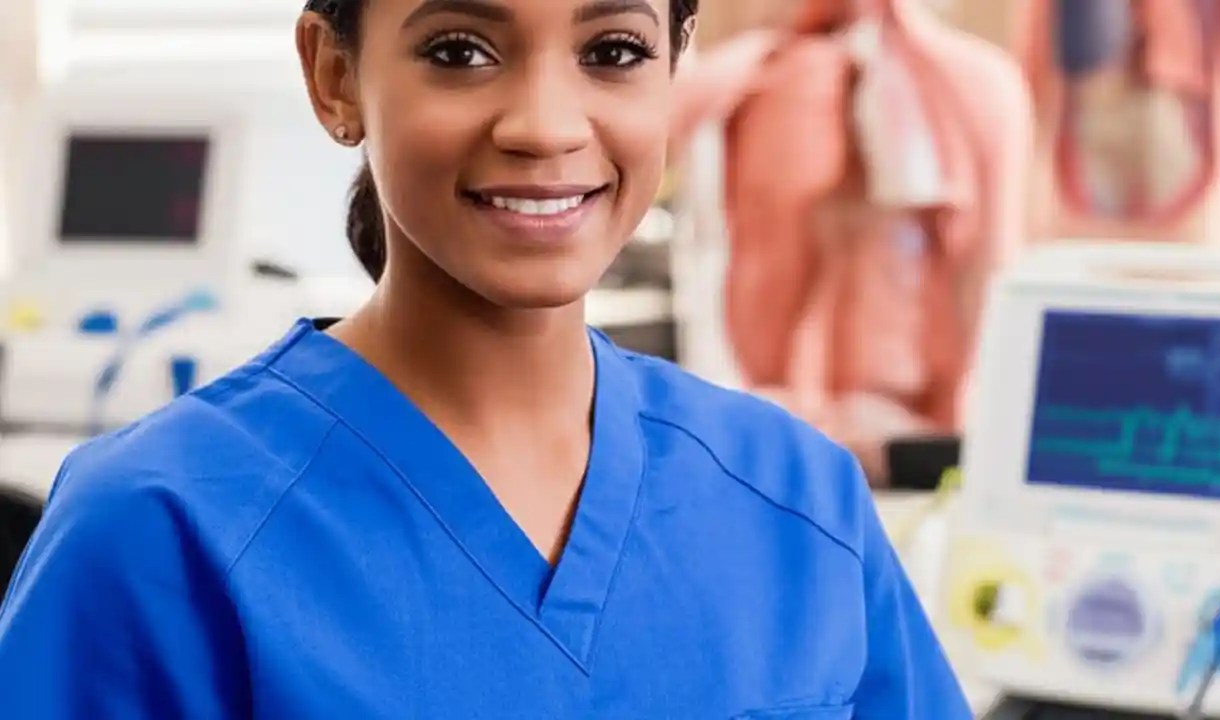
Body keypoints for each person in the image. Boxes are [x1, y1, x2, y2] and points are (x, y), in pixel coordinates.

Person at [0, 0, 971, 717]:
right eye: (459, 51)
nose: (545, 124)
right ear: (334, 77)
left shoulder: (798, 501)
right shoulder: (157, 530)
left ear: (675, 67)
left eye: (613, 51)